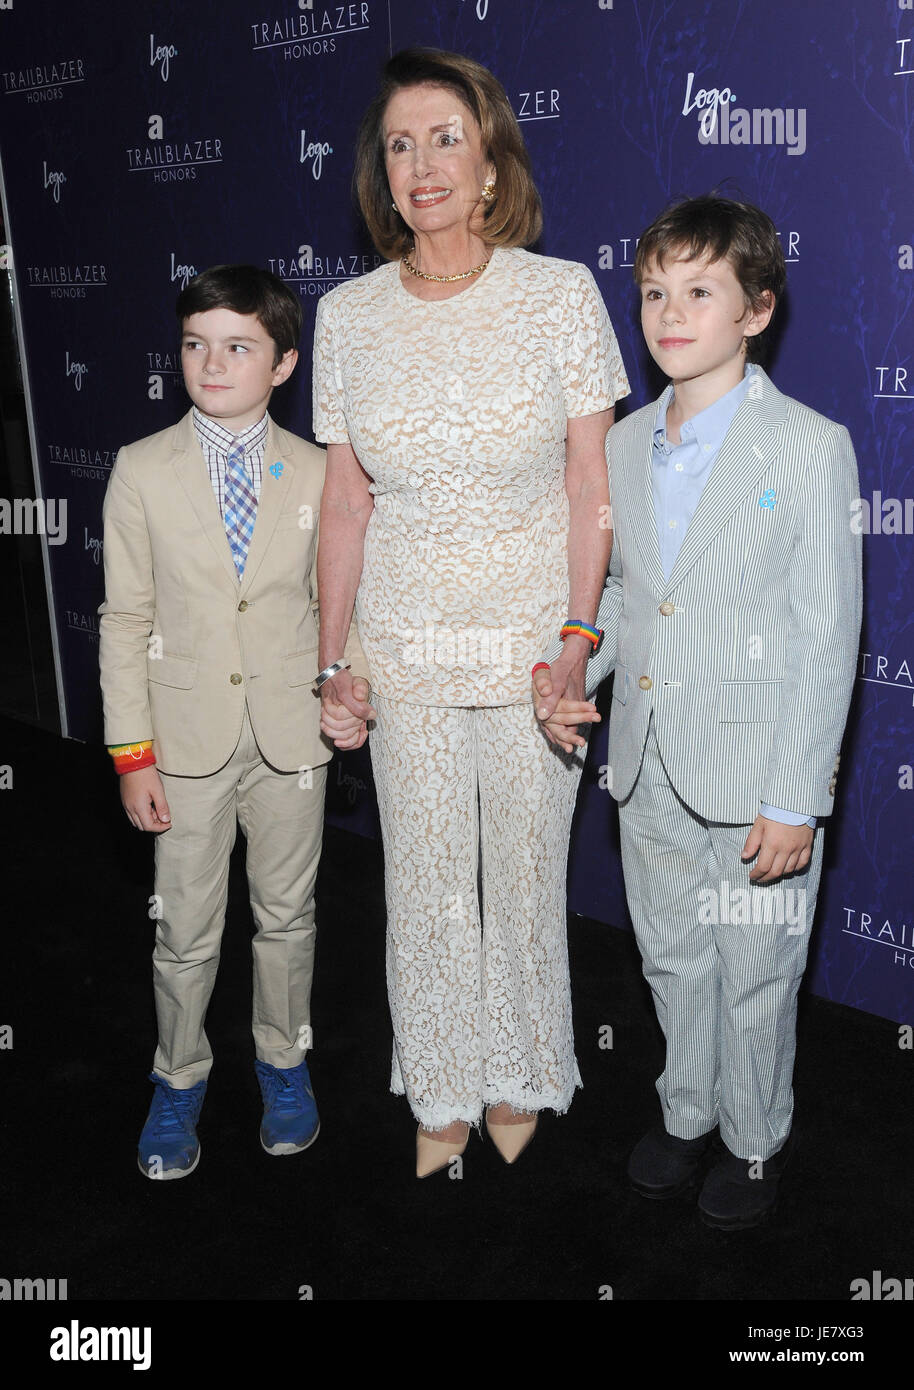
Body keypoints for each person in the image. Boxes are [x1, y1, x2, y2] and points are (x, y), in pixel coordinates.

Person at [312, 47, 629, 1176]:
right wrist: (330, 659)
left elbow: (591, 487)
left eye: (445, 137)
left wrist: (575, 643)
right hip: (400, 646)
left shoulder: (557, 297)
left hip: (531, 648)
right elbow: (344, 501)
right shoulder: (346, 315)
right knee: (427, 882)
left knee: (526, 880)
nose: (421, 163)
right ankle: (440, 1083)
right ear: (381, 177)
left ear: (491, 161)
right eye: (399, 145)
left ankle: (523, 1071)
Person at [535, 195, 862, 1228]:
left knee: (756, 967)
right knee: (671, 955)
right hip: (642, 762)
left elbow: (824, 638)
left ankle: (754, 1139)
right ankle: (683, 1111)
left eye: (698, 291)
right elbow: (630, 595)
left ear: (755, 309)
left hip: (755, 774)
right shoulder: (624, 445)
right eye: (651, 292)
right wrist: (569, 677)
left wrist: (793, 799)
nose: (668, 313)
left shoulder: (808, 448)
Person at [98, 265, 371, 1180]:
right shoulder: (141, 469)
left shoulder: (325, 468)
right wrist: (132, 755)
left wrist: (351, 687)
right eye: (194, 344)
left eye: (240, 346)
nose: (213, 362)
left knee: (287, 919)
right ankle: (177, 1081)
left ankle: (283, 1064)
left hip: (292, 738)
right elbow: (125, 620)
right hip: (182, 746)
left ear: (285, 361)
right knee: (184, 927)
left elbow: (345, 600)